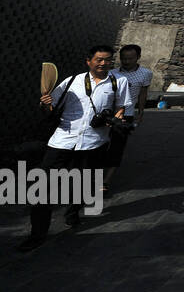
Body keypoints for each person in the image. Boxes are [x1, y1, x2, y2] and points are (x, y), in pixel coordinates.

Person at [20, 45, 133, 252]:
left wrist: (116, 118)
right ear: (88, 61)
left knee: (83, 184)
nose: (103, 63)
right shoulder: (71, 82)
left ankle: (73, 212)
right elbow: (50, 106)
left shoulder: (119, 82)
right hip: (62, 141)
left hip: (94, 143)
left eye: (107, 60)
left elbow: (122, 106)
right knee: (42, 189)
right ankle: (37, 235)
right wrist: (45, 103)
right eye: (99, 59)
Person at [106, 44, 152, 191]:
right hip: (107, 114)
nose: (126, 62)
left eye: (130, 58)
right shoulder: (111, 73)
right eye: (123, 58)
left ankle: (105, 181)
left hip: (127, 115)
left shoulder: (145, 74)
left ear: (138, 57)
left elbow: (143, 93)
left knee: (117, 146)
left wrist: (141, 112)